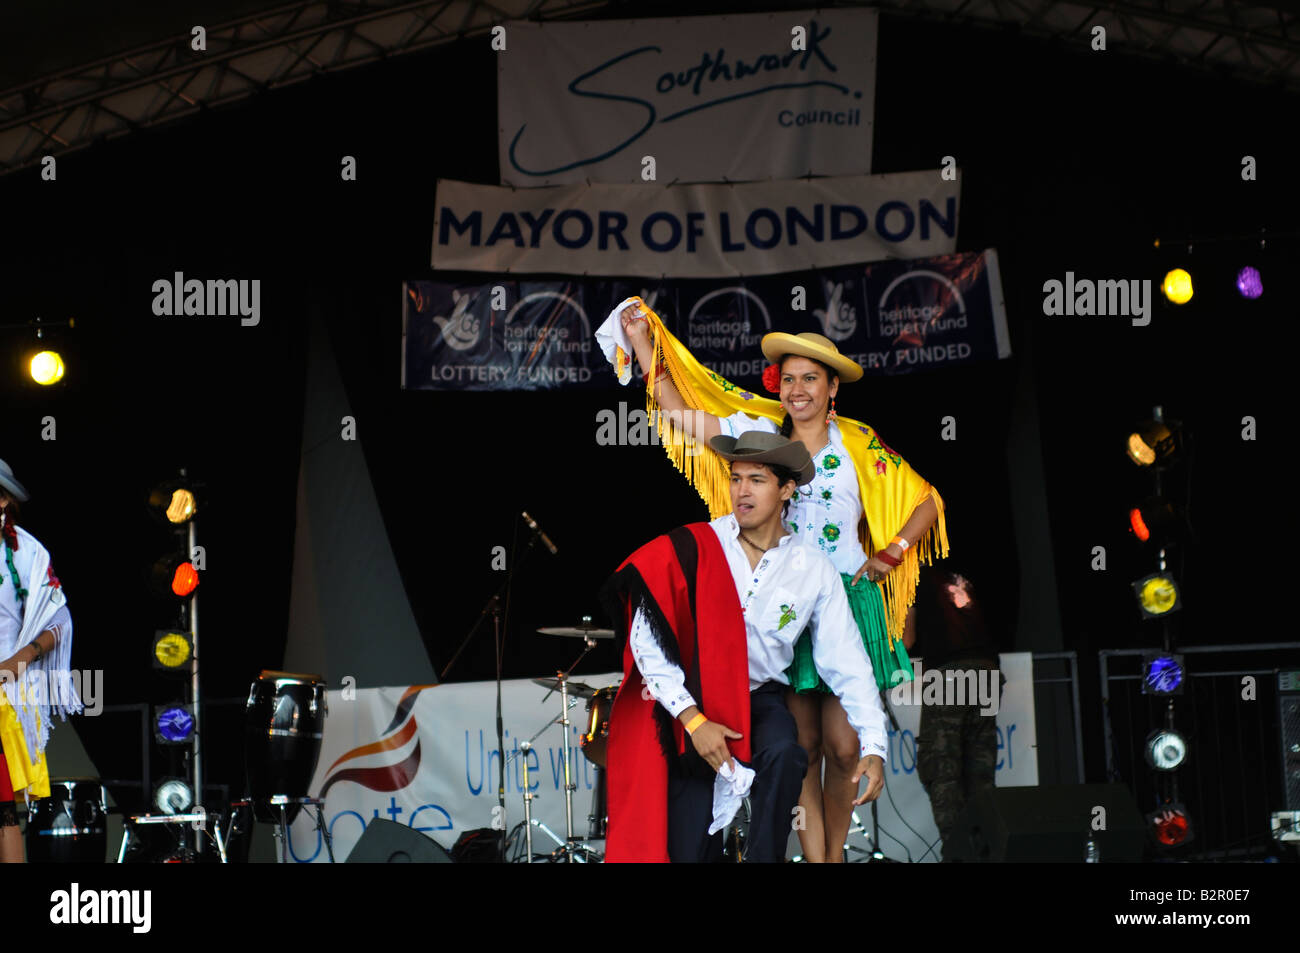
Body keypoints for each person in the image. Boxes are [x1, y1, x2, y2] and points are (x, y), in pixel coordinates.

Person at [596, 296, 948, 862]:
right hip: (778, 610)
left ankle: (831, 855)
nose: (798, 388)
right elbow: (682, 415)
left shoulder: (860, 444)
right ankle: (814, 858)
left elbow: (927, 498)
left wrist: (891, 552)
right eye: (789, 378)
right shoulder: (758, 430)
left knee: (844, 743)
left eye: (811, 378)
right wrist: (644, 349)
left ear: (834, 387)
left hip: (837, 601)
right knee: (798, 746)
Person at [599, 431, 889, 862]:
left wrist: (875, 745)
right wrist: (695, 721)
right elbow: (646, 640)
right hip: (688, 703)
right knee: (689, 848)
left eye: (757, 479)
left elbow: (846, 661)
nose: (742, 490)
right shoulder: (696, 546)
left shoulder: (813, 567)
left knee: (788, 756)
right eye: (736, 479)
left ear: (786, 489)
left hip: (758, 699)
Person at [0, 459, 81, 864]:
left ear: (2, 500)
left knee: (3, 814)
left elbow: (60, 621)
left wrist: (23, 656)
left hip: (3, 697)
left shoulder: (28, 553)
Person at [906, 563, 1001, 856]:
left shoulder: (911, 574)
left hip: (950, 672)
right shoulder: (961, 568)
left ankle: (959, 853)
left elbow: (906, 640)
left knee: (943, 770)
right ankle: (988, 851)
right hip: (987, 670)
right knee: (980, 773)